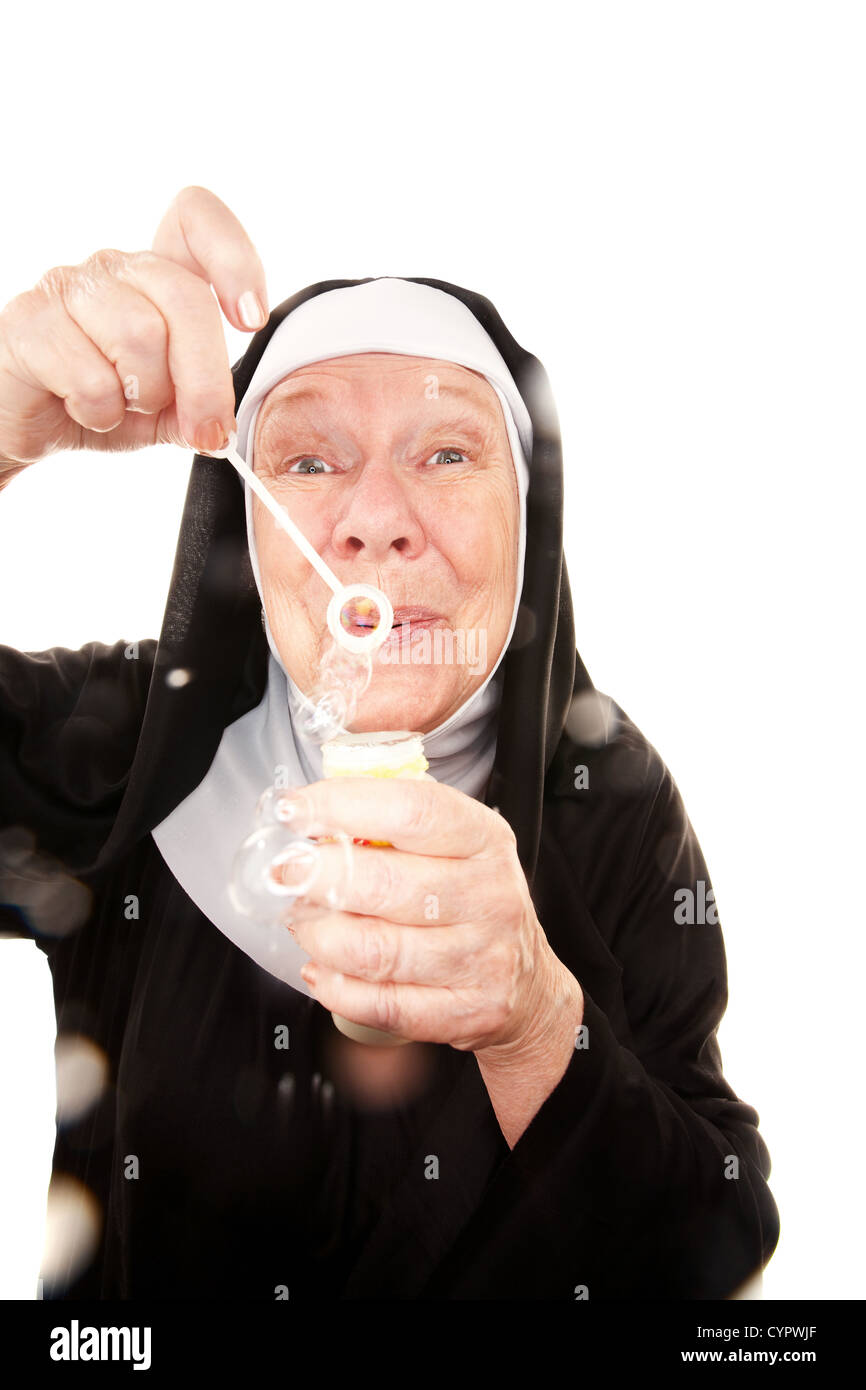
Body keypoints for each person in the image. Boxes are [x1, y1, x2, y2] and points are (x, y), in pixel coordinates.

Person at [0, 186, 780, 1300]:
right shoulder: (132, 740)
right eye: (309, 462)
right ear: (243, 532)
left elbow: (712, 1246)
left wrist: (532, 1022)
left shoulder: (608, 797)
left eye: (447, 454)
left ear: (529, 518)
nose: (373, 515)